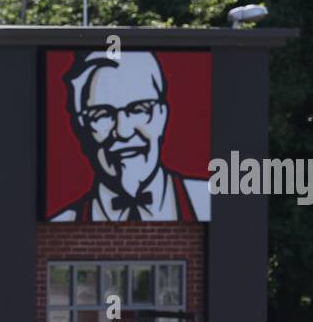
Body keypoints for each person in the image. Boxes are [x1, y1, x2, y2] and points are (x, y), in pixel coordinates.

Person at [52, 50, 211, 222]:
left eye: (138, 110)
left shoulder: (207, 201)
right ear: (81, 127)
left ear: (162, 115)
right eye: (102, 114)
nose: (123, 132)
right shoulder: (64, 220)